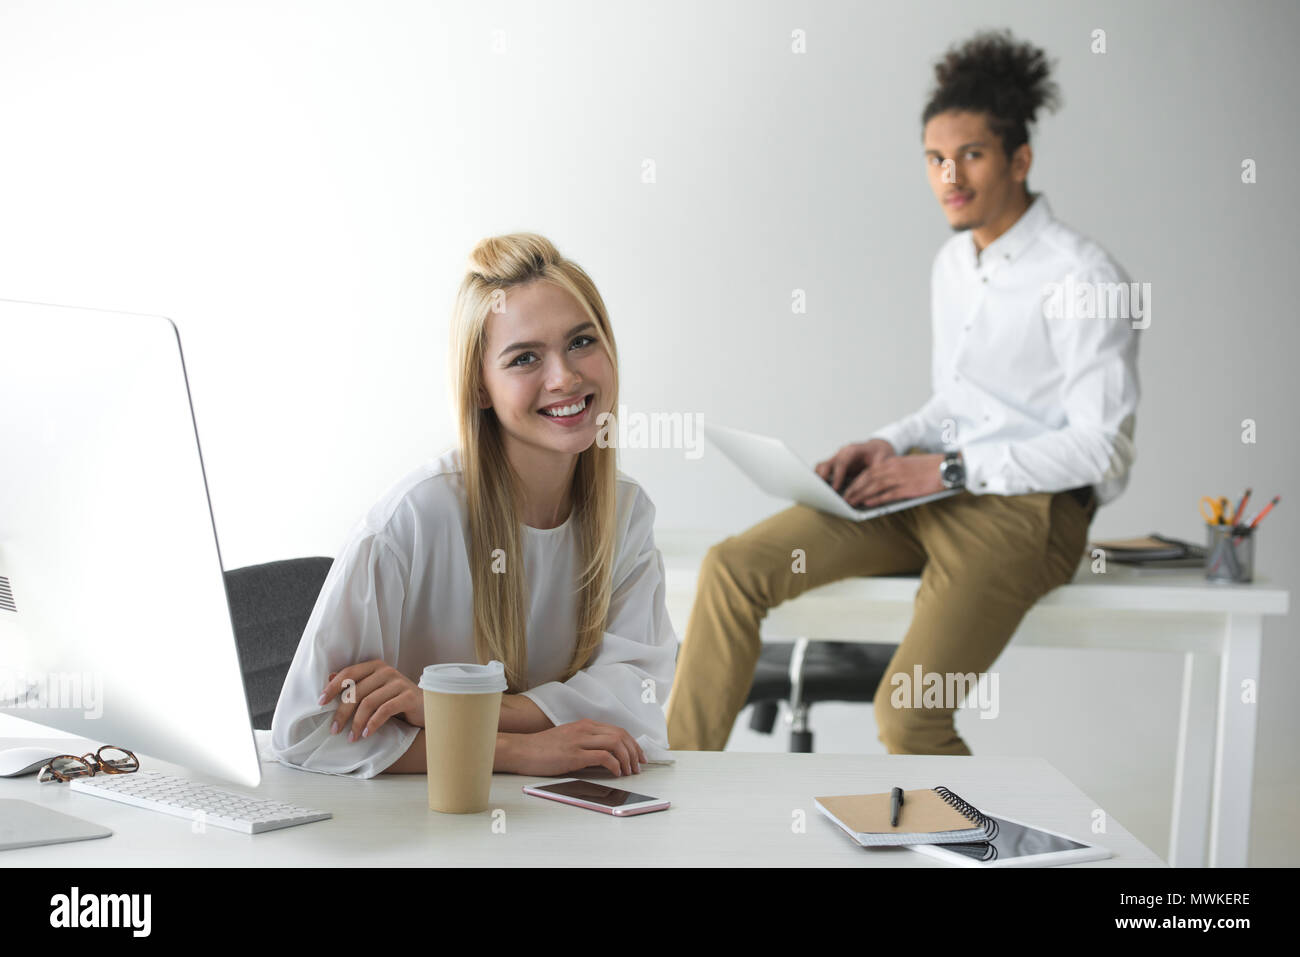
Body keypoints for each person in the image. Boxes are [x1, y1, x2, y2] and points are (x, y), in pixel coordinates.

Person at [665, 29, 1141, 754]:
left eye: (971, 155)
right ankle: (677, 802)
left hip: (1025, 517)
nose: (949, 175)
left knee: (909, 712)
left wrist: (950, 468)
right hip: (926, 488)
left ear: (1020, 159)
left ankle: (998, 852)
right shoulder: (954, 264)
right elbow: (958, 401)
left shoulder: (1084, 276)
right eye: (935, 158)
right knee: (733, 567)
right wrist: (889, 440)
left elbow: (1104, 449)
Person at [271, 233, 676, 779]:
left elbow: (635, 696)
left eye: (581, 342)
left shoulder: (625, 513)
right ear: (480, 387)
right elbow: (307, 731)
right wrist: (513, 749)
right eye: (525, 357)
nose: (564, 377)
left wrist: (447, 709)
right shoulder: (412, 519)